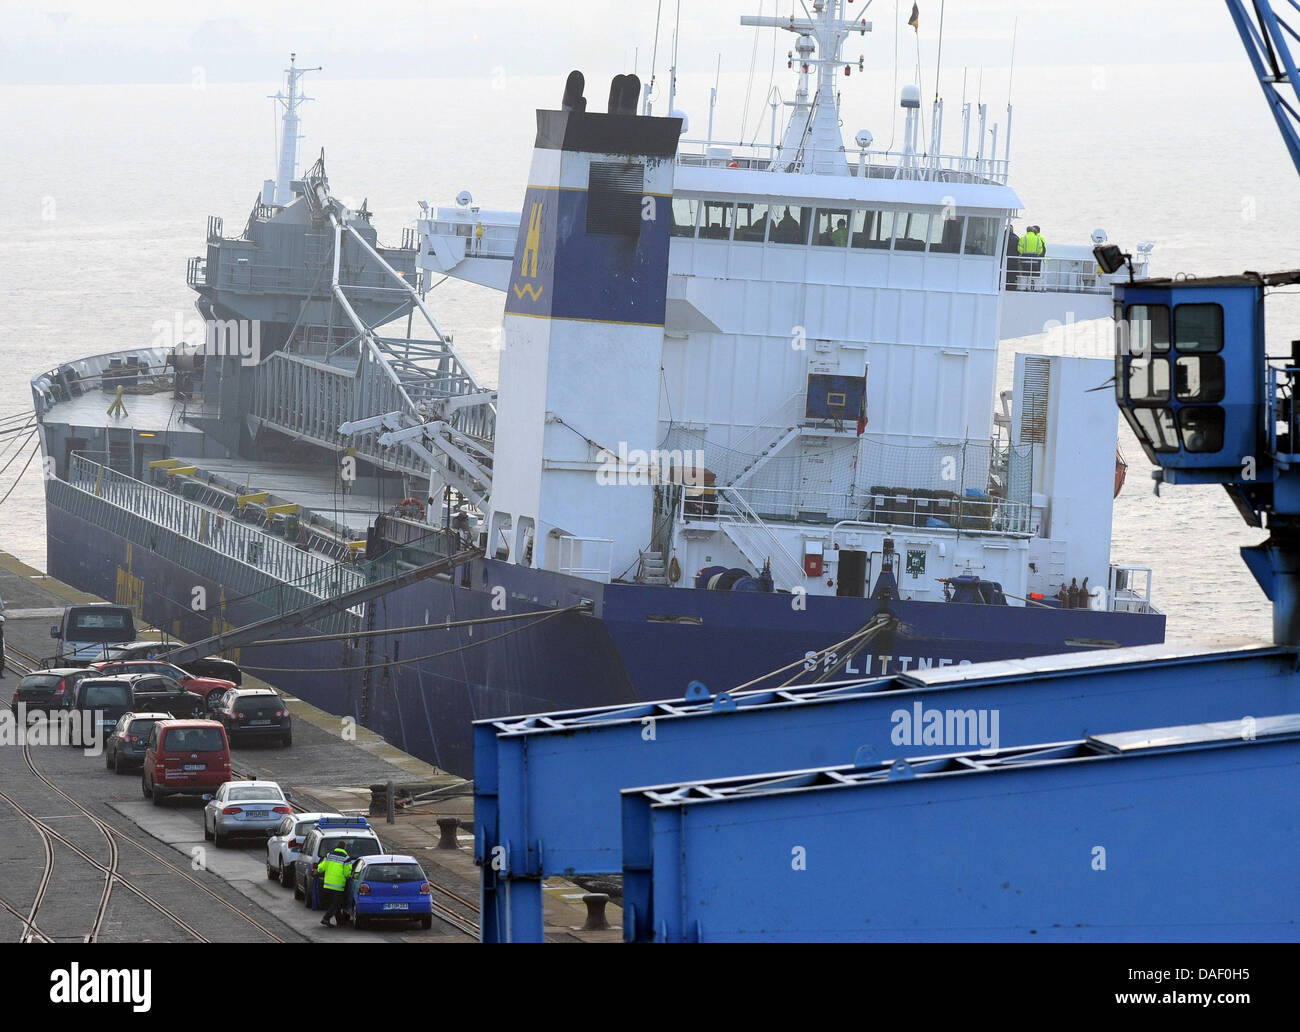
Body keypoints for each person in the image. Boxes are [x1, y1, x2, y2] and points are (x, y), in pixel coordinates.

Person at [316, 845, 352, 928]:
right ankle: (325, 918)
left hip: (327, 885)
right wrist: (349, 876)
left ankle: (340, 921)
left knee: (333, 904)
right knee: (337, 904)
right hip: (338, 886)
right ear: (344, 848)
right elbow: (347, 873)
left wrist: (318, 870)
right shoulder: (346, 858)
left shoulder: (329, 855)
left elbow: (322, 867)